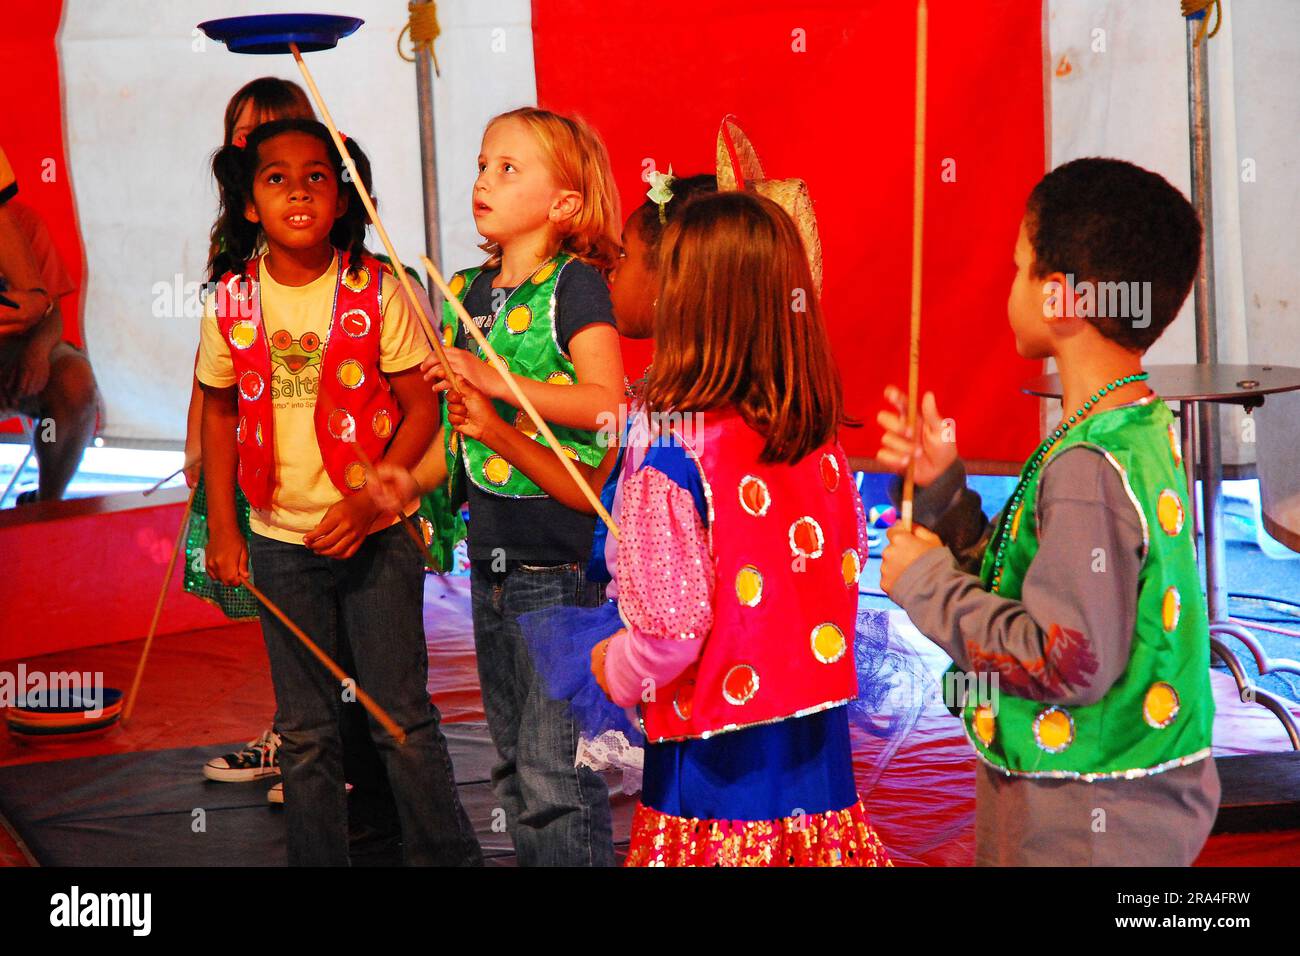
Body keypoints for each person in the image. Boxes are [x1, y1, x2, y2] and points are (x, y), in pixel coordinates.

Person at [877, 157, 1219, 866]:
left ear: (1059, 297)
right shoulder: (1130, 426)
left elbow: (1067, 662)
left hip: (1086, 821)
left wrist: (926, 583)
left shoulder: (1086, 467)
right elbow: (1032, 583)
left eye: (1018, 266)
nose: (1011, 287)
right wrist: (943, 494)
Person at [197, 118, 480, 866]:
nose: (299, 190)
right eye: (276, 177)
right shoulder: (229, 301)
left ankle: (444, 856)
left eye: (317, 176)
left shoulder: (377, 290)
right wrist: (224, 530)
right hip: (279, 542)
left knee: (401, 717)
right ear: (250, 204)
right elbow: (219, 412)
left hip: (378, 537)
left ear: (341, 197)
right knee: (307, 727)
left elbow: (423, 407)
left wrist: (372, 503)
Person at [376, 107, 626, 866]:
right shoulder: (463, 292)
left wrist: (497, 377)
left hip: (561, 570)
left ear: (565, 204)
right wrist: (406, 482)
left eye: (508, 169)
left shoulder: (575, 286)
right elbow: (461, 433)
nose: (484, 180)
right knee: (515, 768)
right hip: (490, 567)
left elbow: (607, 405)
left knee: (558, 773)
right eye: (483, 164)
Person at [0, 145, 98, 503]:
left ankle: (48, 501)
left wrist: (37, 355)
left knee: (73, 382)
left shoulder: (23, 223)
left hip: (14, 354)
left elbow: (48, 305)